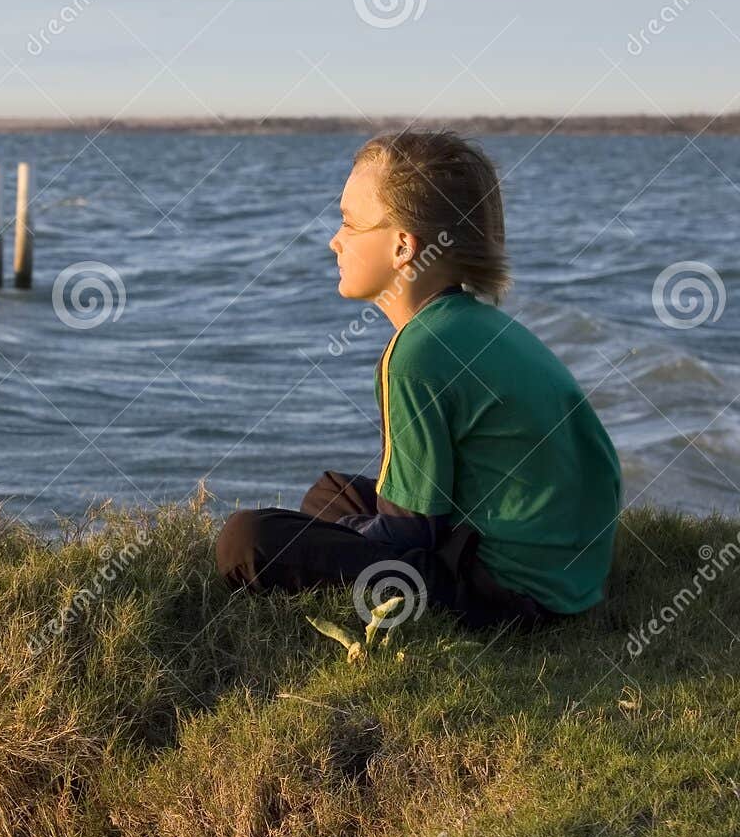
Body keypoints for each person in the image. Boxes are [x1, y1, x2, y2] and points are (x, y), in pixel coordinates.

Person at [215, 130, 622, 629]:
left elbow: (411, 534)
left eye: (348, 222)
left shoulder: (418, 353)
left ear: (403, 246)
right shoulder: (479, 324)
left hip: (509, 598)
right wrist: (353, 525)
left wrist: (354, 534)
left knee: (247, 539)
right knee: (330, 494)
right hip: (565, 577)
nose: (334, 240)